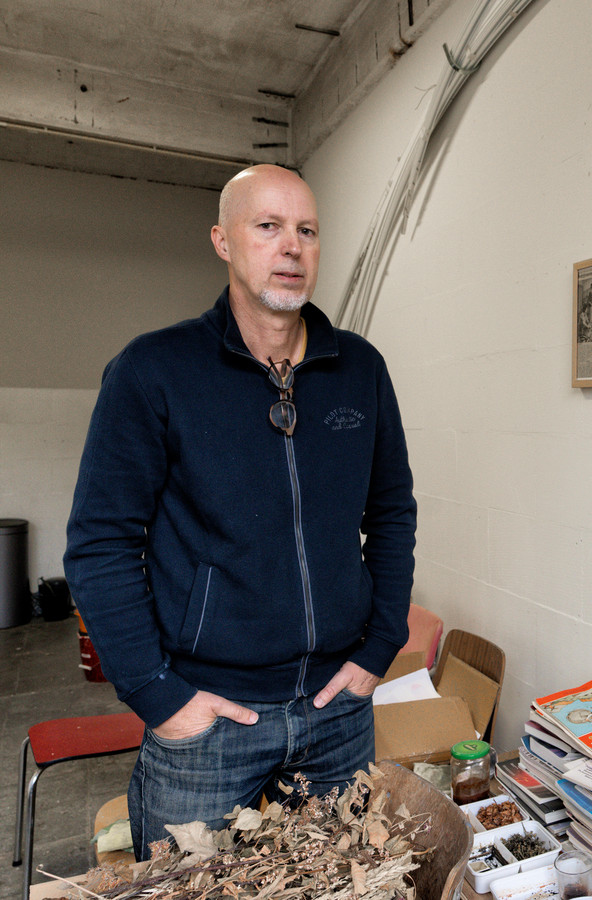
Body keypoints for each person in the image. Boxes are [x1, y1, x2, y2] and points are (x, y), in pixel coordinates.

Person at [64, 164, 416, 859]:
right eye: (269, 226)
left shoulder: (361, 370)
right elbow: (100, 545)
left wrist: (379, 649)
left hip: (337, 712)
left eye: (307, 231)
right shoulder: (153, 371)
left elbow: (393, 513)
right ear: (224, 240)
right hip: (209, 718)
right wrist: (158, 695)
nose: (291, 247)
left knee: (336, 880)